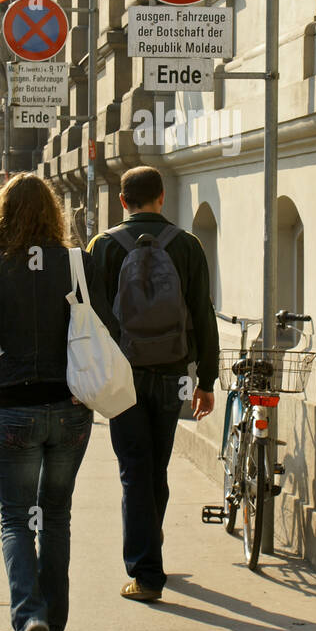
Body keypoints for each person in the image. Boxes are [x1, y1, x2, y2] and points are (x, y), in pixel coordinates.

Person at [0, 172, 121, 631]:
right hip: (71, 408)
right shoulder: (75, 263)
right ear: (53, 213)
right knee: (58, 516)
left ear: (2, 214)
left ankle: (30, 618)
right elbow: (105, 326)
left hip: (16, 411)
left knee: (16, 519)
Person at [89, 165, 218, 603]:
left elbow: (89, 320)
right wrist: (207, 379)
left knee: (133, 471)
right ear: (163, 198)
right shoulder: (188, 246)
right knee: (156, 466)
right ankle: (150, 548)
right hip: (173, 374)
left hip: (121, 377)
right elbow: (203, 315)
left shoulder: (102, 247)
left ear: (122, 201)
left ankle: (146, 573)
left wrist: (84, 380)